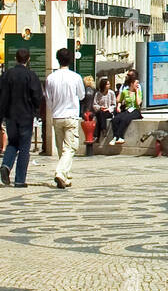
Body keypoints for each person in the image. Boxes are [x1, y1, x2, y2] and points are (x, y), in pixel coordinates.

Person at [0, 48, 43, 188]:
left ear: (16, 58)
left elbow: (2, 96)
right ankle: (19, 179)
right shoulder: (31, 75)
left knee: (13, 142)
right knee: (24, 146)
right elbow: (37, 96)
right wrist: (35, 108)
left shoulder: (7, 75)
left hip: (11, 115)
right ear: (28, 59)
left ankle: (6, 165)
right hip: (25, 115)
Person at [44, 48, 86, 189]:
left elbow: (48, 99)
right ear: (71, 60)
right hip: (71, 115)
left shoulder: (51, 78)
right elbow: (81, 95)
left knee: (61, 148)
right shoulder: (75, 77)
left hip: (57, 115)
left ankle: (66, 176)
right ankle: (61, 172)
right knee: (70, 148)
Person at [110, 74, 143, 146]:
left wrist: (137, 92)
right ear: (131, 84)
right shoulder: (125, 91)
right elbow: (118, 100)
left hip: (136, 110)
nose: (138, 85)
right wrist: (121, 93)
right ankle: (115, 136)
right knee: (116, 119)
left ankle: (120, 136)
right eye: (136, 83)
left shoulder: (138, 92)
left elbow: (138, 103)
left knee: (125, 119)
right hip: (127, 110)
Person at [92, 77, 116, 142]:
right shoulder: (98, 94)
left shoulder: (111, 93)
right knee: (100, 113)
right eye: (107, 84)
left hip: (108, 112)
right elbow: (94, 104)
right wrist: (100, 107)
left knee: (101, 116)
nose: (109, 85)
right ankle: (103, 129)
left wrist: (108, 109)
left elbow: (113, 105)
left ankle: (96, 136)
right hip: (100, 111)